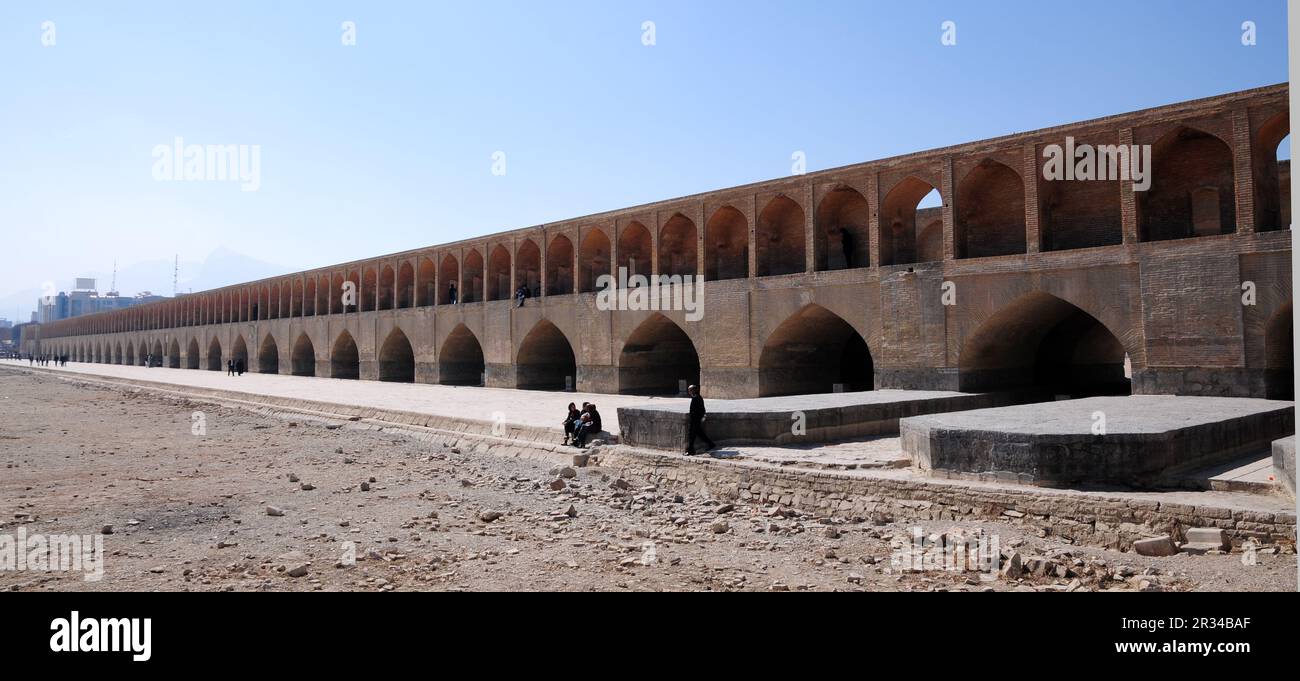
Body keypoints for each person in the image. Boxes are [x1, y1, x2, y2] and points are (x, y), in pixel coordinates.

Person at [685, 384, 715, 455]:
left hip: (695, 420)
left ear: (694, 390)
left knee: (692, 436)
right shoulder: (697, 397)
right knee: (700, 434)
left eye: (690, 390)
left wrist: (700, 417)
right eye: (689, 390)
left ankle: (690, 451)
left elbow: (700, 409)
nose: (689, 391)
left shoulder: (697, 398)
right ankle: (711, 444)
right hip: (695, 420)